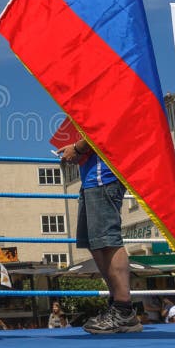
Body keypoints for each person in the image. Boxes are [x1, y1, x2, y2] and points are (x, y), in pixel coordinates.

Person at [58, 138, 142, 334]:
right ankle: (118, 306)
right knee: (94, 241)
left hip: (103, 173)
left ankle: (123, 308)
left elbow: (104, 124)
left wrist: (77, 148)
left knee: (107, 240)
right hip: (93, 174)